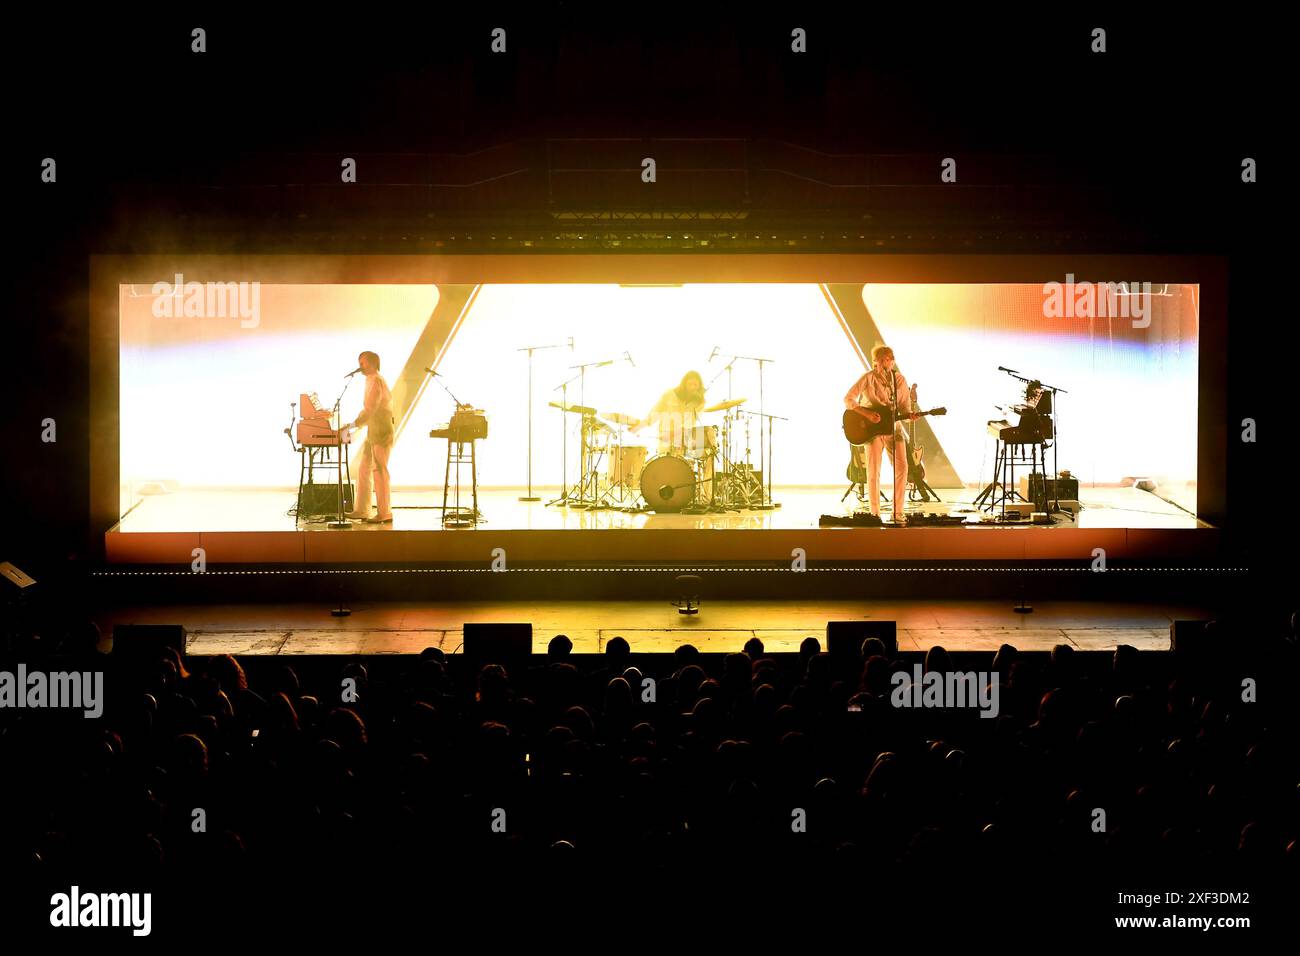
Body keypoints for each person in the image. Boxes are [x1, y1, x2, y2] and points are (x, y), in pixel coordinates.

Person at [844, 345, 916, 523]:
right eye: (880, 360)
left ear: (892, 361)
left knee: (902, 468)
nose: (884, 364)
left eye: (887, 360)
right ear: (874, 362)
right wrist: (866, 413)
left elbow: (905, 409)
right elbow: (848, 399)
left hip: (894, 428)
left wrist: (910, 416)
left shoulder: (899, 380)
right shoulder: (868, 378)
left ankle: (897, 511)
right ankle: (874, 513)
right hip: (873, 430)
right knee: (874, 469)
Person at [636, 371, 714, 500]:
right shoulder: (669, 394)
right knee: (666, 467)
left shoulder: (700, 402)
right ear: (684, 384)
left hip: (685, 435)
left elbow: (692, 420)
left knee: (710, 452)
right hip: (667, 434)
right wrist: (642, 424)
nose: (693, 387)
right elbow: (655, 410)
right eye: (690, 384)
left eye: (696, 385)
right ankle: (661, 496)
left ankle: (706, 496)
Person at [345, 350, 394, 523]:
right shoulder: (369, 380)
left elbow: (371, 409)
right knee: (364, 468)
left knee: (379, 471)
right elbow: (367, 409)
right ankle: (362, 510)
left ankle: (384, 513)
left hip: (382, 430)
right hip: (373, 430)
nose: (360, 366)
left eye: (363, 362)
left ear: (373, 363)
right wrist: (354, 424)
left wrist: (352, 425)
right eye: (360, 362)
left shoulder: (377, 381)